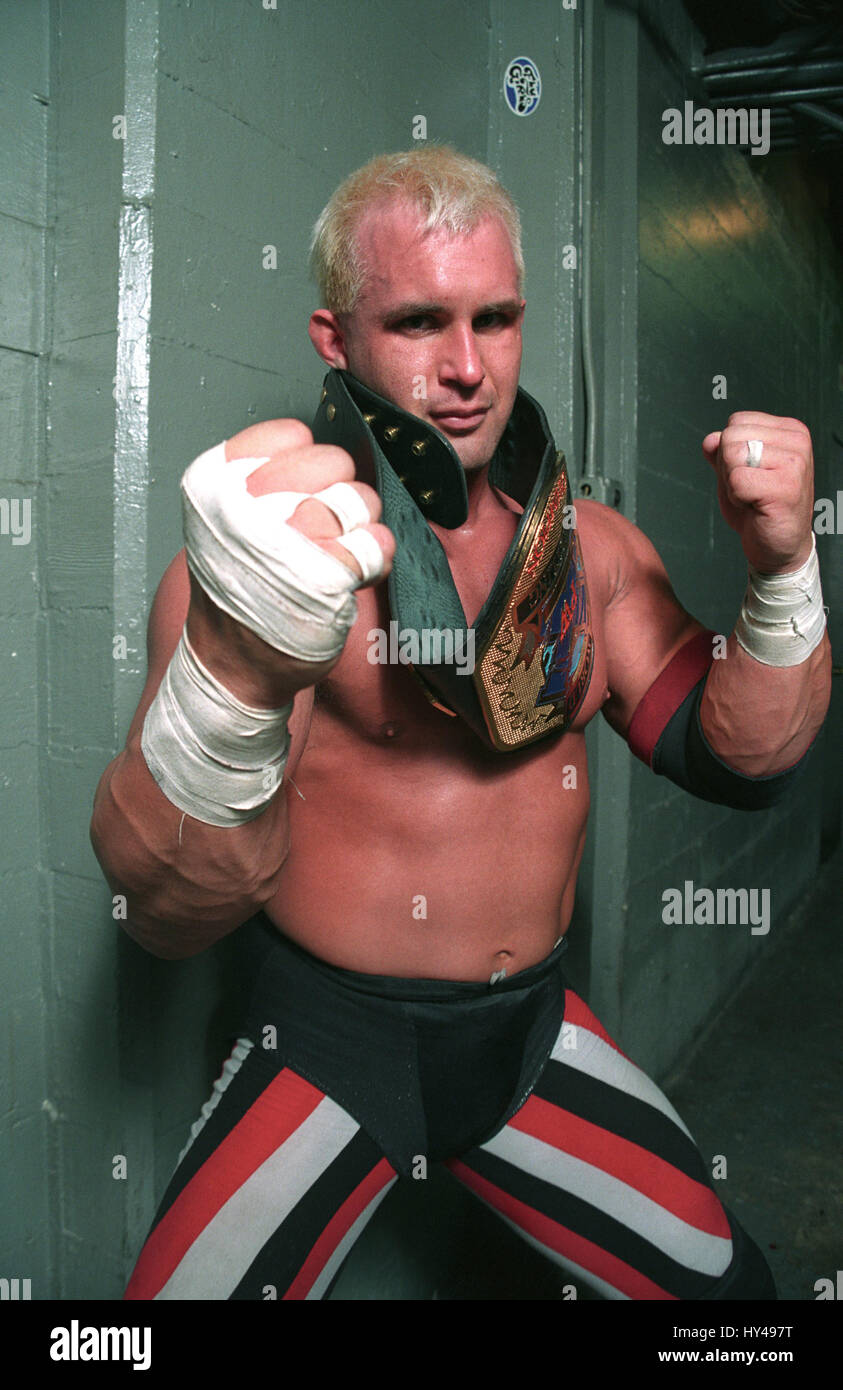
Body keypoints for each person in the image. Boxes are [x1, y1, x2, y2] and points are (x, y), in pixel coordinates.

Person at [91, 146, 830, 1301]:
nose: (468, 367)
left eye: (496, 318)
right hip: (329, 1044)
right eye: (420, 322)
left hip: (528, 1040)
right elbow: (163, 913)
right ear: (335, 341)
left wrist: (784, 575)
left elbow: (747, 753)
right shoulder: (270, 571)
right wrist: (229, 674)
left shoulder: (594, 553)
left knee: (734, 1303)